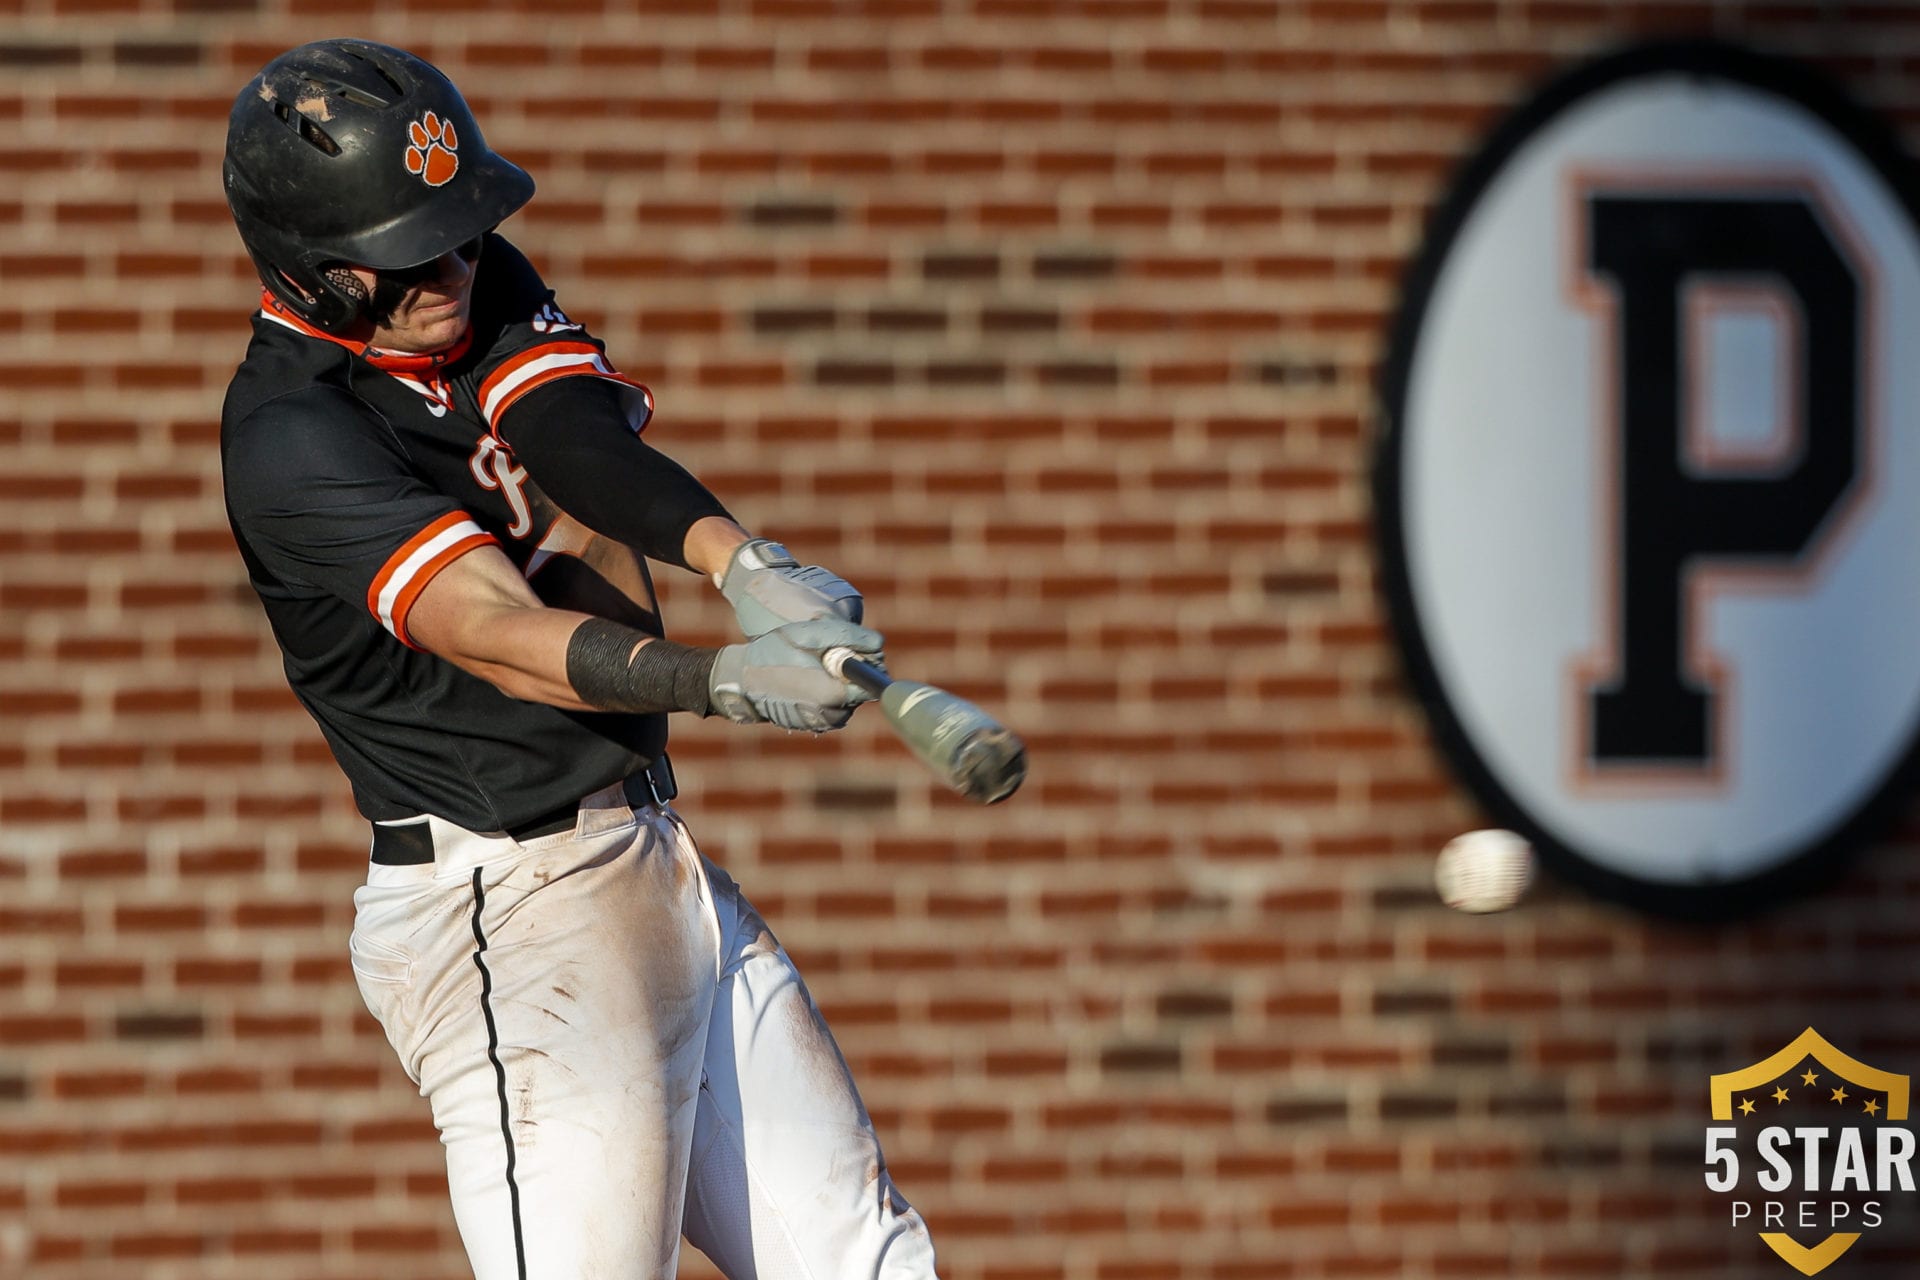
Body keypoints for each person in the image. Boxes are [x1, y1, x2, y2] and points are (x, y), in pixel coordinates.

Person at [219, 39, 938, 1280]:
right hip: (507, 907)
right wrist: (718, 679)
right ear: (315, 270)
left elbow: (575, 439)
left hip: (655, 861)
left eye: (457, 232)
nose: (451, 264)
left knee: (869, 1264)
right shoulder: (291, 434)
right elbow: (499, 635)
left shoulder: (468, 282)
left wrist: (741, 561)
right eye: (407, 252)